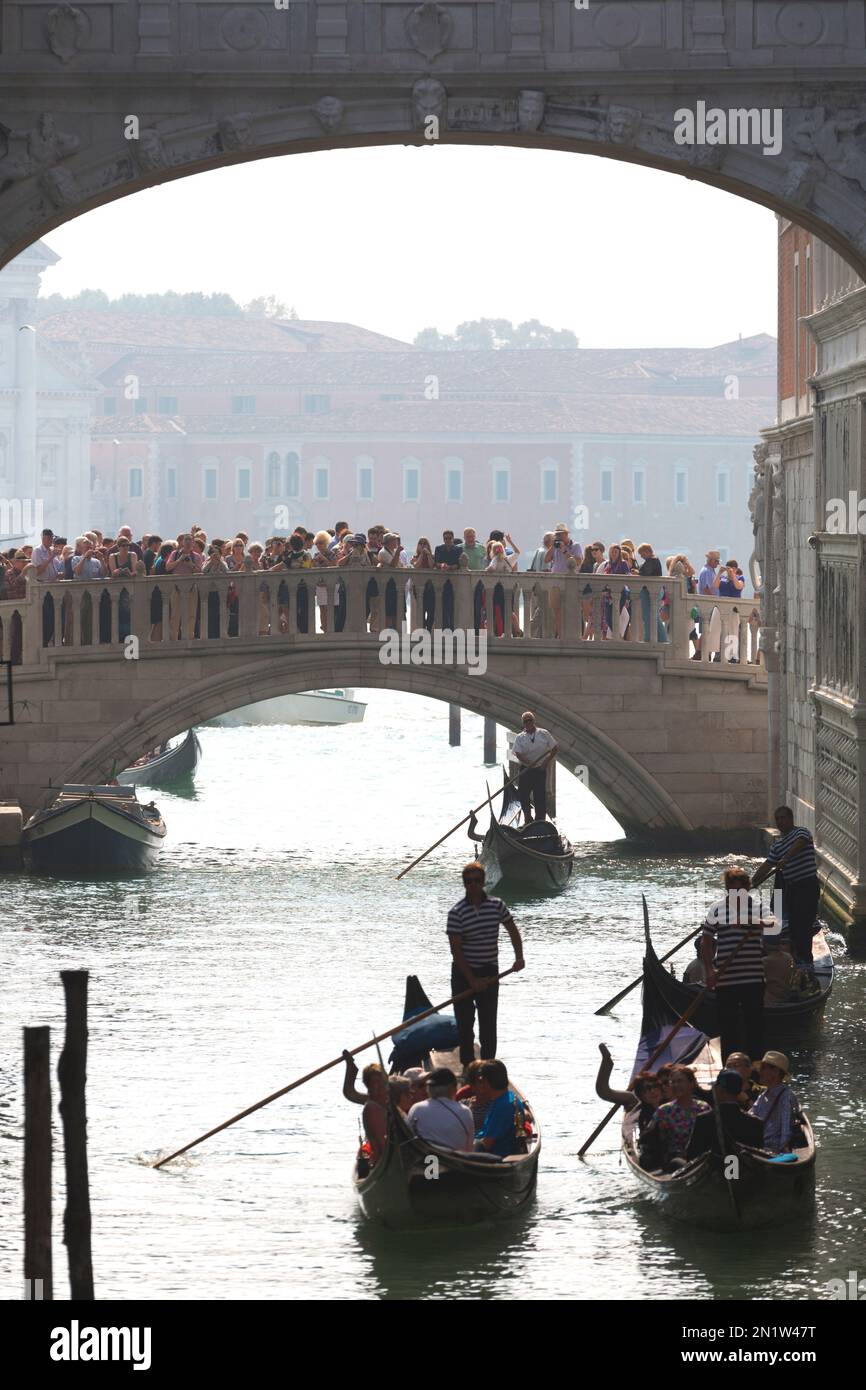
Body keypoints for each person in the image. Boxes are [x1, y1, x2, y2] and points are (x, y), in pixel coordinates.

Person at [446, 861, 524, 1071]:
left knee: (488, 1023)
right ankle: (469, 1067)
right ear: (464, 884)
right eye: (469, 881)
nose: (473, 885)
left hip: (490, 971)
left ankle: (489, 1067)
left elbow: (512, 930)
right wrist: (472, 980)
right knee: (465, 1023)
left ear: (483, 882)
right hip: (464, 974)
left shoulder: (497, 906)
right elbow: (456, 951)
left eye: (477, 880)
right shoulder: (456, 913)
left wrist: (519, 957)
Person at [701, 866, 771, 1064]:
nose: (735, 895)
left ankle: (756, 1069)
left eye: (739, 891)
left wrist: (749, 920)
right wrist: (709, 970)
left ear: (747, 889)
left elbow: (775, 925)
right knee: (727, 1029)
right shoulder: (717, 908)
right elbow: (706, 939)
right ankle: (728, 1069)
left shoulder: (757, 907)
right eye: (731, 891)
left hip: (754, 979)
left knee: (755, 1028)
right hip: (725, 979)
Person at [750, 806, 821, 966]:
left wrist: (787, 858)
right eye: (778, 819)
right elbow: (768, 865)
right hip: (792, 889)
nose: (781, 821)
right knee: (794, 927)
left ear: (791, 818)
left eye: (783, 818)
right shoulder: (777, 846)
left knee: (803, 925)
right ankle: (797, 961)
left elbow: (801, 843)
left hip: (807, 886)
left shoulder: (801, 832)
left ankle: (806, 963)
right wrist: (751, 883)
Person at [639, 1065, 710, 1170]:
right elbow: (647, 1140)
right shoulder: (664, 1111)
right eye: (673, 1082)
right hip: (674, 1159)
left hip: (700, 1156)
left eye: (680, 1081)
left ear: (691, 1084)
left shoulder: (703, 1107)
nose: (676, 1085)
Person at [686, 1069, 764, 1158]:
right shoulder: (755, 1123)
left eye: (715, 1086)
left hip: (714, 1170)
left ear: (720, 1089)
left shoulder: (704, 1120)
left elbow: (692, 1155)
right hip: (743, 1171)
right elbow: (758, 1158)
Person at [407, 1067, 475, 1151]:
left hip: (425, 1161)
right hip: (455, 1161)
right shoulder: (465, 1111)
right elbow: (469, 1149)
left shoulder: (416, 1109)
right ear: (454, 1088)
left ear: (429, 1088)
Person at [341, 1053, 388, 1165]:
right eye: (374, 1084)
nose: (377, 1087)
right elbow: (349, 1092)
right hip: (379, 1157)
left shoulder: (393, 1099)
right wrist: (350, 1066)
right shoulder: (371, 1105)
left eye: (380, 1083)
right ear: (368, 1086)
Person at [474, 1060, 528, 1157]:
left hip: (496, 1155)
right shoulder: (511, 1097)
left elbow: (487, 1144)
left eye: (482, 1081)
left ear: (487, 1082)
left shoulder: (502, 1107)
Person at [748, 1051, 800, 1152]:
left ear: (775, 1072)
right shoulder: (763, 1095)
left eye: (763, 1068)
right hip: (759, 1146)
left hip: (773, 1150)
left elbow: (786, 1131)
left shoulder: (786, 1096)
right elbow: (750, 1116)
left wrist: (781, 1151)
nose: (760, 1072)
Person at [511, 710, 557, 823]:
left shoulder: (544, 733)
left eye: (530, 720)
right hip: (526, 769)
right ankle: (527, 816)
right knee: (523, 794)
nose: (528, 722)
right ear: (523, 723)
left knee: (539, 796)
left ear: (534, 721)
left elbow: (554, 748)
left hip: (540, 769)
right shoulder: (520, 737)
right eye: (525, 721)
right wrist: (528, 763)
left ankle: (540, 821)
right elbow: (518, 753)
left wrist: (545, 762)